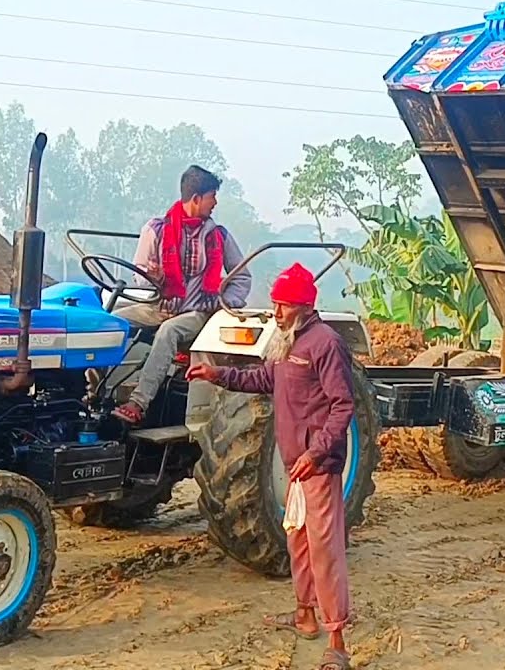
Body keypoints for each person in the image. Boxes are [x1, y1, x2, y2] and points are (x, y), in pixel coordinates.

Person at [185, 262, 354, 670]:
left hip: (317, 465)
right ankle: (304, 615)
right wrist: (217, 373)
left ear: (303, 306)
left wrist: (317, 454)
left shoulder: (325, 344)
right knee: (297, 541)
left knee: (325, 550)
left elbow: (343, 405)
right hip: (295, 462)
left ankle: (338, 642)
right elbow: (263, 380)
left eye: (282, 305)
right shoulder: (287, 342)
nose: (275, 312)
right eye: (275, 303)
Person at [110, 164, 251, 425]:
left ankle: (138, 402)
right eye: (212, 196)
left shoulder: (218, 236)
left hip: (197, 311)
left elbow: (241, 277)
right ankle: (95, 393)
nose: (215, 203)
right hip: (158, 305)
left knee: (169, 331)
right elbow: (139, 276)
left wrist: (225, 303)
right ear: (196, 199)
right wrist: (154, 277)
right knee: (107, 322)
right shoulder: (156, 230)